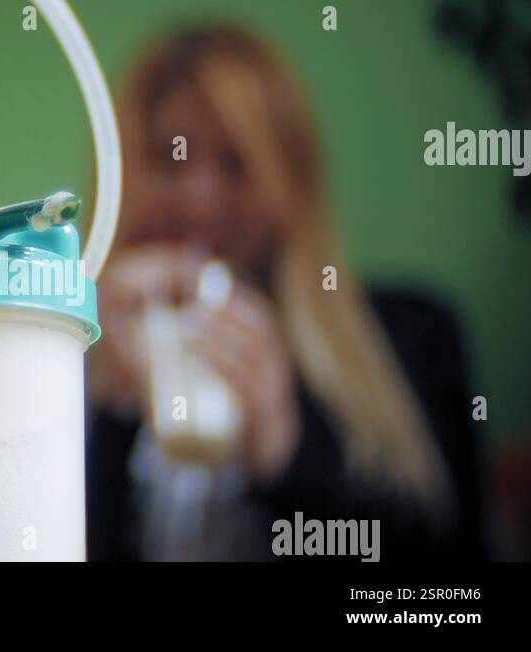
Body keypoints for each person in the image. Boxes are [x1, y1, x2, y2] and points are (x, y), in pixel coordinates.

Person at [86, 25, 485, 561]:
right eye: (169, 159)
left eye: (236, 162)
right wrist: (110, 413)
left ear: (289, 180)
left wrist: (286, 453)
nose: (201, 200)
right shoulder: (69, 355)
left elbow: (445, 588)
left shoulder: (414, 337)